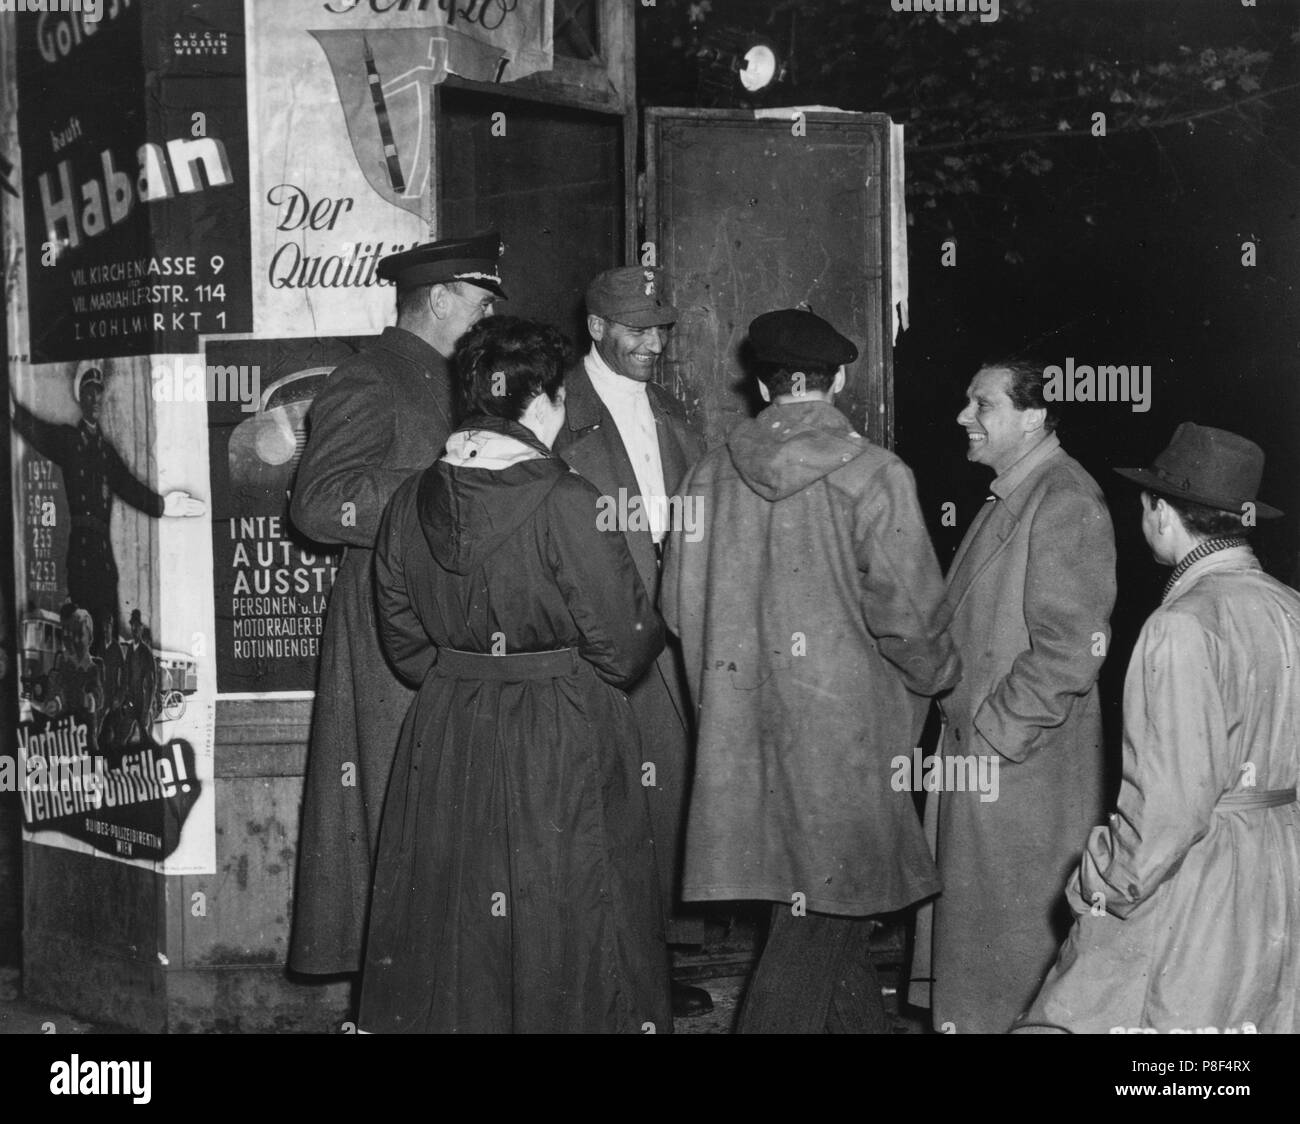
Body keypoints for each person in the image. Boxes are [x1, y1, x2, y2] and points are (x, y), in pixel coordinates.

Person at [357, 316, 669, 1033]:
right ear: (543, 401)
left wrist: (464, 674)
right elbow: (624, 645)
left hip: (448, 725)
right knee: (567, 909)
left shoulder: (409, 499)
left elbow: (402, 641)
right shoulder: (566, 497)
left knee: (455, 920)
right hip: (560, 725)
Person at [662, 308, 961, 1033]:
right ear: (840, 382)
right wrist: (942, 678)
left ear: (764, 388)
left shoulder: (707, 476)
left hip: (743, 746)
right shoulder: (875, 474)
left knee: (821, 922)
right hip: (844, 750)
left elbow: (674, 608)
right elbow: (912, 620)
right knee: (818, 929)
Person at [1020, 423, 1298, 1033]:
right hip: (1279, 872)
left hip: (1198, 880)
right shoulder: (1288, 608)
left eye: (1146, 504)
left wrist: (1101, 883)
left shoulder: (1183, 624)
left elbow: (1170, 808)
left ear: (1163, 512)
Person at [288, 232, 507, 976]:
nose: (485, 318)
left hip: (453, 617)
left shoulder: (460, 377)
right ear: (440, 298)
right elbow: (318, 506)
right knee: (394, 805)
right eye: (479, 303)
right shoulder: (371, 378)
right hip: (387, 625)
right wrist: (437, 487)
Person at [908, 359, 1116, 1034]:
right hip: (990, 768)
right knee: (983, 964)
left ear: (1033, 417)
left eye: (983, 404)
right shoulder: (1017, 492)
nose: (965, 416)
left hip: (1019, 776)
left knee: (1011, 971)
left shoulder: (1064, 499)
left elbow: (1070, 648)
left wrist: (994, 735)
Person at [553, 265, 709, 1016]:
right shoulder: (555, 409)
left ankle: (651, 959)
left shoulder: (675, 412)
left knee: (663, 800)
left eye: (661, 328)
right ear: (596, 329)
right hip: (594, 642)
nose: (654, 341)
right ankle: (608, 966)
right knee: (604, 806)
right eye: (637, 329)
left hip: (667, 640)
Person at [11, 367, 205, 657]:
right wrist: (14, 411)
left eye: (99, 393)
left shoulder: (107, 453)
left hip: (104, 559)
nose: (96, 399)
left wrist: (163, 505)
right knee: (82, 632)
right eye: (89, 392)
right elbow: (36, 430)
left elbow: (130, 487)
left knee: (108, 631)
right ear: (81, 398)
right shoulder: (68, 441)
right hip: (81, 554)